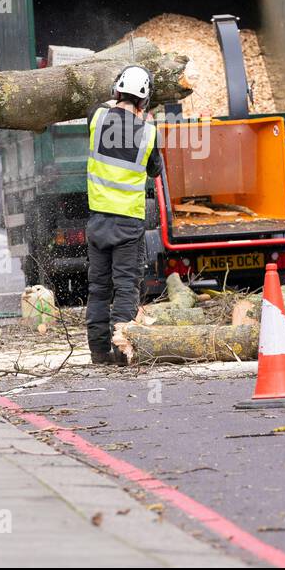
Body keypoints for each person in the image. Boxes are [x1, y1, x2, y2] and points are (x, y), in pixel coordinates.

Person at [85, 65, 163, 365]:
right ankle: (122, 352)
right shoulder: (148, 132)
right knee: (126, 288)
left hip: (98, 221)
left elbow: (103, 106)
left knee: (99, 289)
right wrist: (146, 123)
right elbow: (155, 170)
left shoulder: (97, 117)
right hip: (128, 224)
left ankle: (99, 352)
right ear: (144, 101)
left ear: (116, 91)